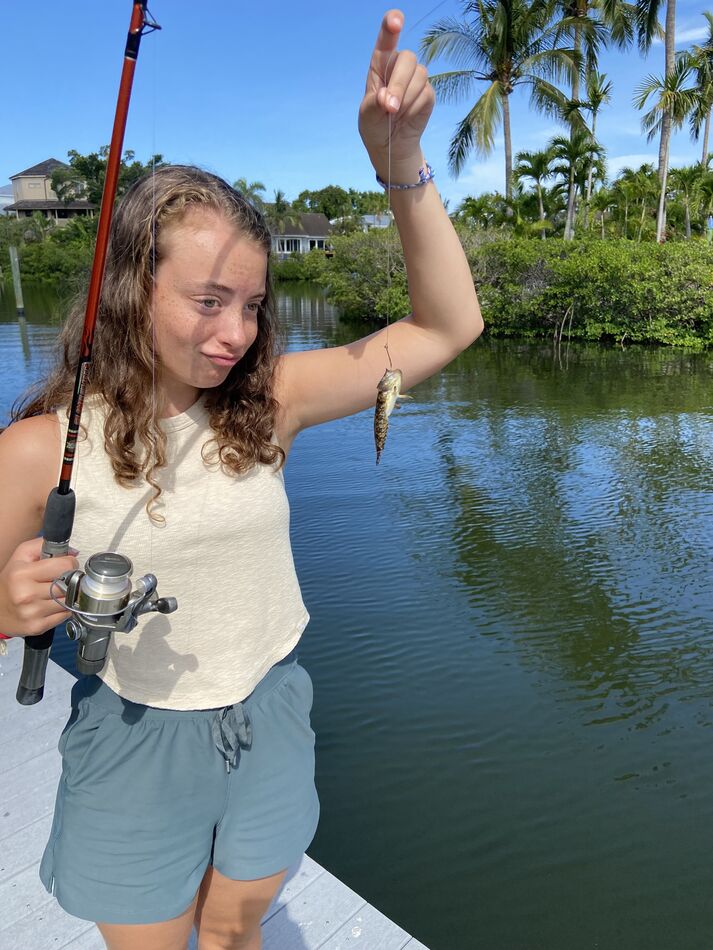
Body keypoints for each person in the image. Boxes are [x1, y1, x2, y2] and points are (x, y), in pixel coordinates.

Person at [0, 9, 482, 950]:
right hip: (134, 737)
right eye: (208, 301)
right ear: (134, 290)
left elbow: (445, 327)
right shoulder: (34, 449)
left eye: (255, 306)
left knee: (232, 932)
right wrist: (8, 603)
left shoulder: (276, 401)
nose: (237, 334)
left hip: (270, 711)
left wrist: (401, 162)